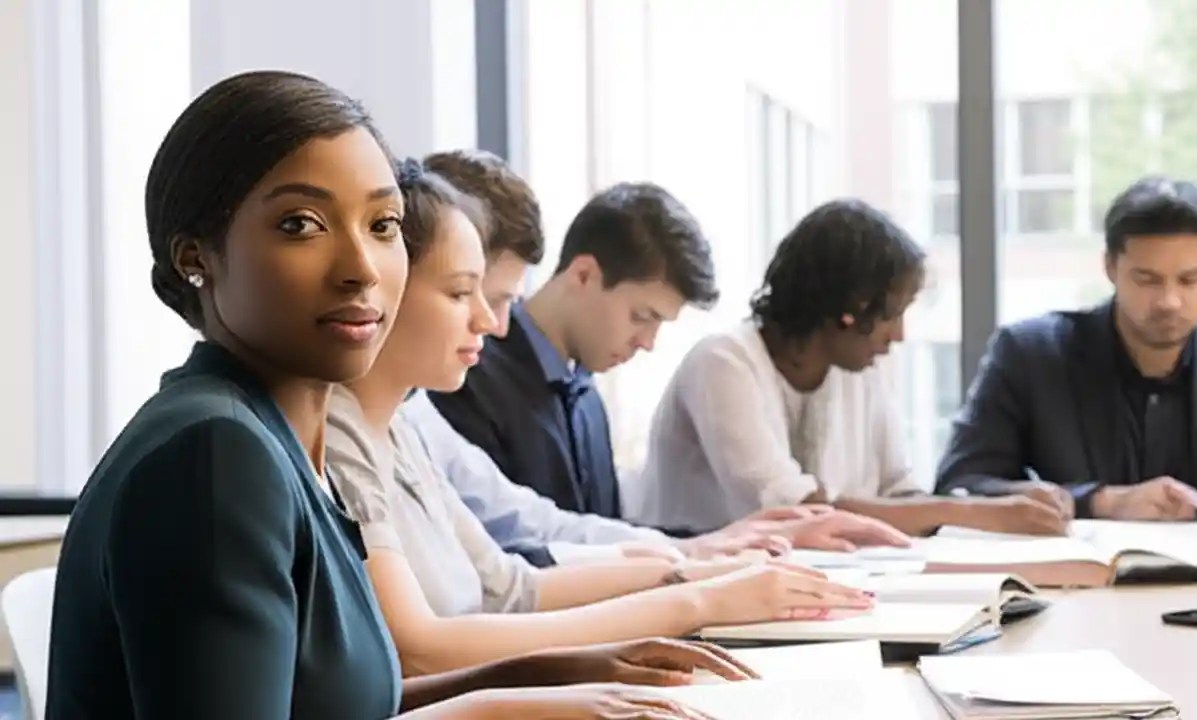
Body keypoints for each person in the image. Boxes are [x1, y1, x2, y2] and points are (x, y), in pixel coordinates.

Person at [44, 70, 755, 720]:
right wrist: (494, 709)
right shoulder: (217, 455)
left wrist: (552, 671)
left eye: (382, 226)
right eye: (301, 224)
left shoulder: (276, 435)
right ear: (195, 257)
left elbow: (335, 702)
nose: (361, 267)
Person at [325, 164, 874, 676]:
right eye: (462, 293)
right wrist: (694, 595)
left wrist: (691, 570)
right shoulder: (349, 429)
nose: (491, 323)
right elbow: (423, 646)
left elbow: (511, 584)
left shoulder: (405, 427)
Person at [413, 150, 906, 565]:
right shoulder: (466, 373)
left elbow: (569, 529)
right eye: (641, 316)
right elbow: (508, 559)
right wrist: (699, 557)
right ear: (584, 275)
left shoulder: (582, 395)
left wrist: (715, 545)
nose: (646, 342)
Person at [630, 199, 1070, 537]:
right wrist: (975, 512)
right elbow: (800, 514)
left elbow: (900, 493)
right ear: (849, 307)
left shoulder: (858, 371)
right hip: (696, 584)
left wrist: (1002, 501)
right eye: (891, 314)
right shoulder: (723, 363)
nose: (898, 335)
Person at [936, 176, 1197, 522]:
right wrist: (1100, 502)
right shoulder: (1030, 354)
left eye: (1190, 280)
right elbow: (959, 487)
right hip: (1084, 559)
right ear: (1110, 267)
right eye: (1147, 279)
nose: (1169, 301)